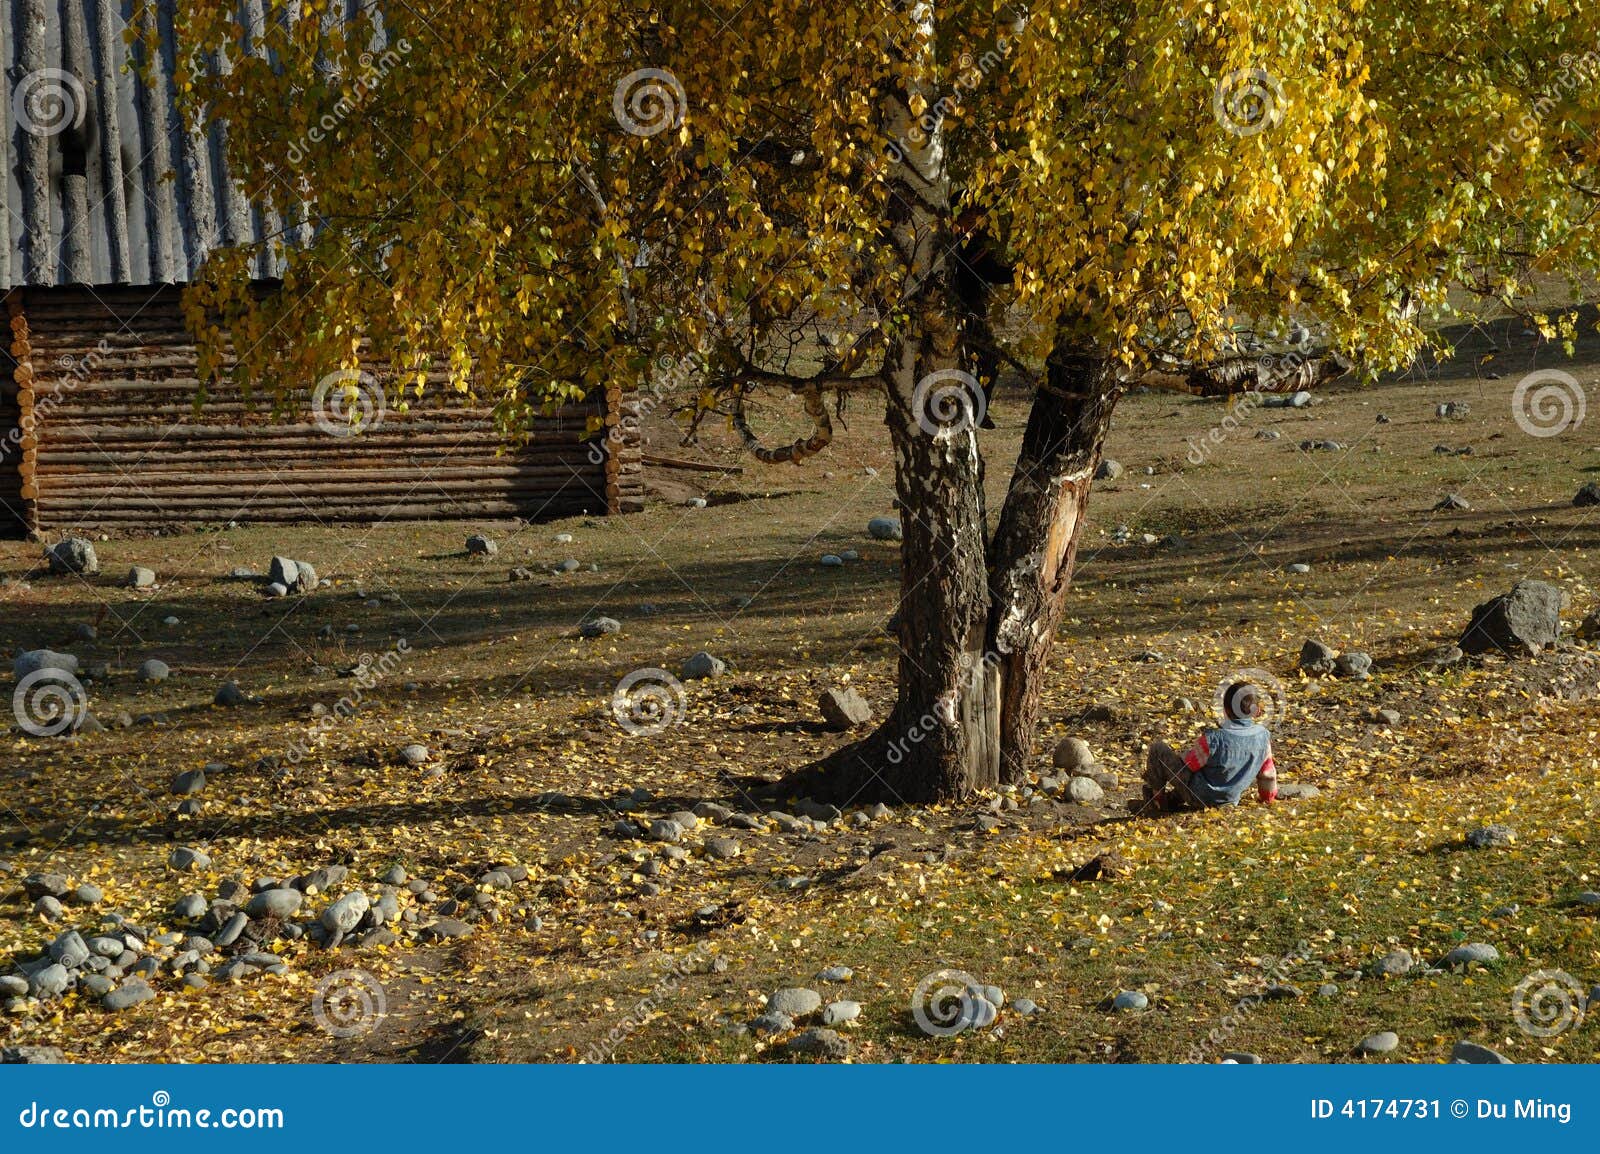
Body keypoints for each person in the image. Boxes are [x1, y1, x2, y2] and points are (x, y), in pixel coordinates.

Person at [1142, 680, 1278, 811]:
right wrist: (1267, 799)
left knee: (1158, 749)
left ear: (1226, 710)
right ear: (1256, 711)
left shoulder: (1213, 738)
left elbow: (1189, 765)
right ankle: (1172, 799)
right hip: (1231, 799)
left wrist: (1184, 755)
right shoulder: (1263, 736)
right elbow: (1268, 774)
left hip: (1200, 797)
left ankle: (1157, 800)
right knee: (1207, 770)